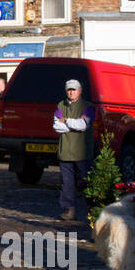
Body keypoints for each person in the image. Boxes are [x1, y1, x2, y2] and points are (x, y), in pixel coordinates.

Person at [54, 77, 95, 222]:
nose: (71, 92)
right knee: (67, 184)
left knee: (86, 182)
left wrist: (66, 121)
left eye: (74, 89)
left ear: (80, 91)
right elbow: (56, 126)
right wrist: (74, 123)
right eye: (69, 90)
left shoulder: (87, 106)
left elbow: (84, 125)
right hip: (65, 152)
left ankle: (92, 209)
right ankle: (68, 210)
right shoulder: (61, 105)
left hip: (82, 152)